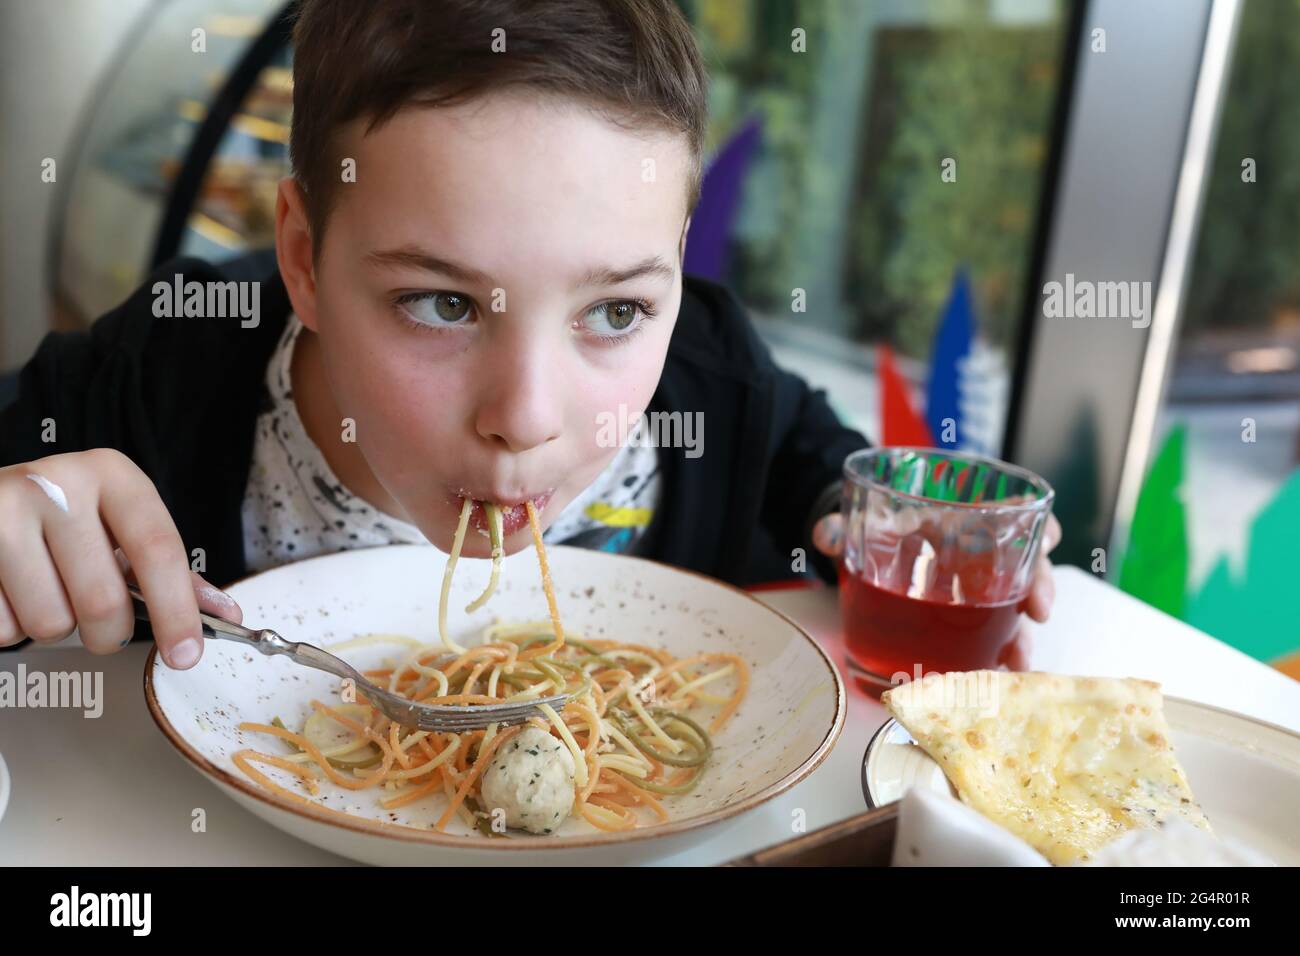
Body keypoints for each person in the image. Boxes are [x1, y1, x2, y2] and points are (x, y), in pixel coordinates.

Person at [0, 0, 1057, 670]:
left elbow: (811, 462)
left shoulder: (711, 376)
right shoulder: (161, 374)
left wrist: (871, 520)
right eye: (443, 303)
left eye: (614, 312)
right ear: (306, 259)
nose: (528, 419)